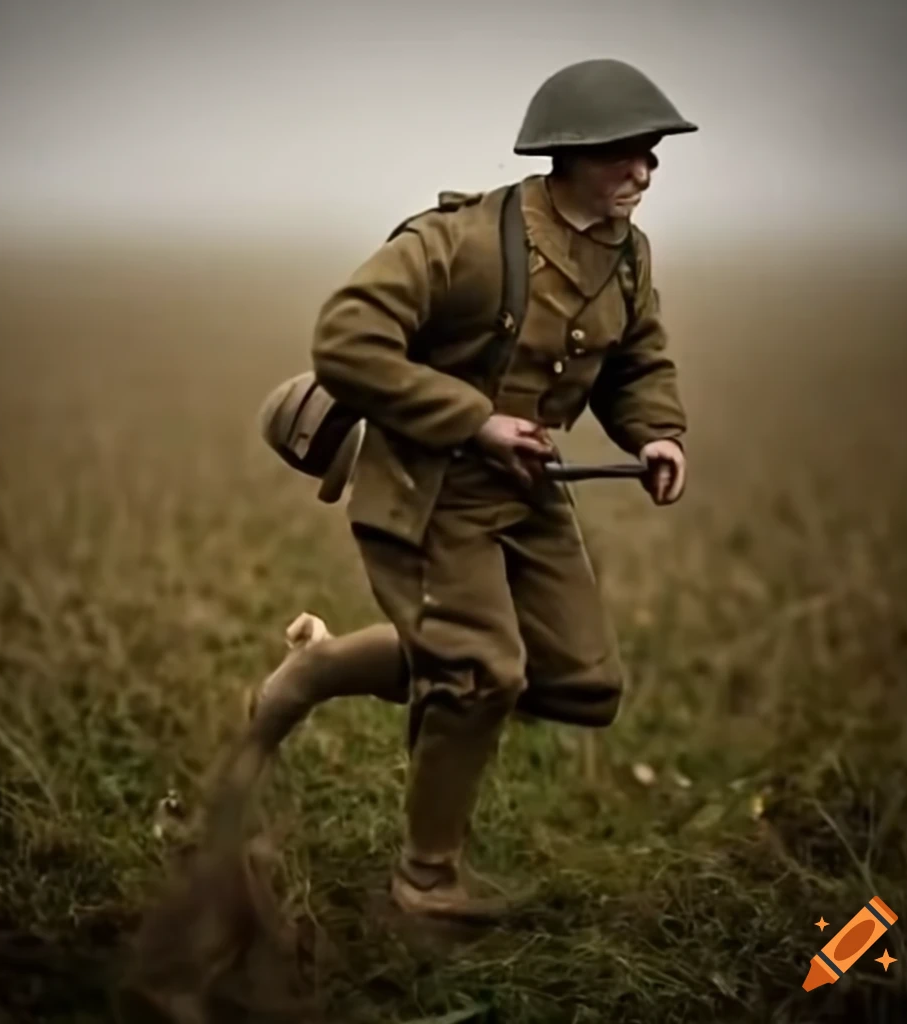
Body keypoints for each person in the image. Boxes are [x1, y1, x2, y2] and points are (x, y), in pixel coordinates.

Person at [252, 58, 696, 923]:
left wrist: (656, 433)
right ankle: (426, 881)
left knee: (581, 684)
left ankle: (324, 665)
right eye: (625, 157)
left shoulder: (627, 256)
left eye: (651, 157)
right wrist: (473, 418)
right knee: (484, 669)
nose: (643, 174)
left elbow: (637, 357)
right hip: (426, 487)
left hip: (521, 492)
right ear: (568, 155)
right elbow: (346, 339)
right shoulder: (457, 242)